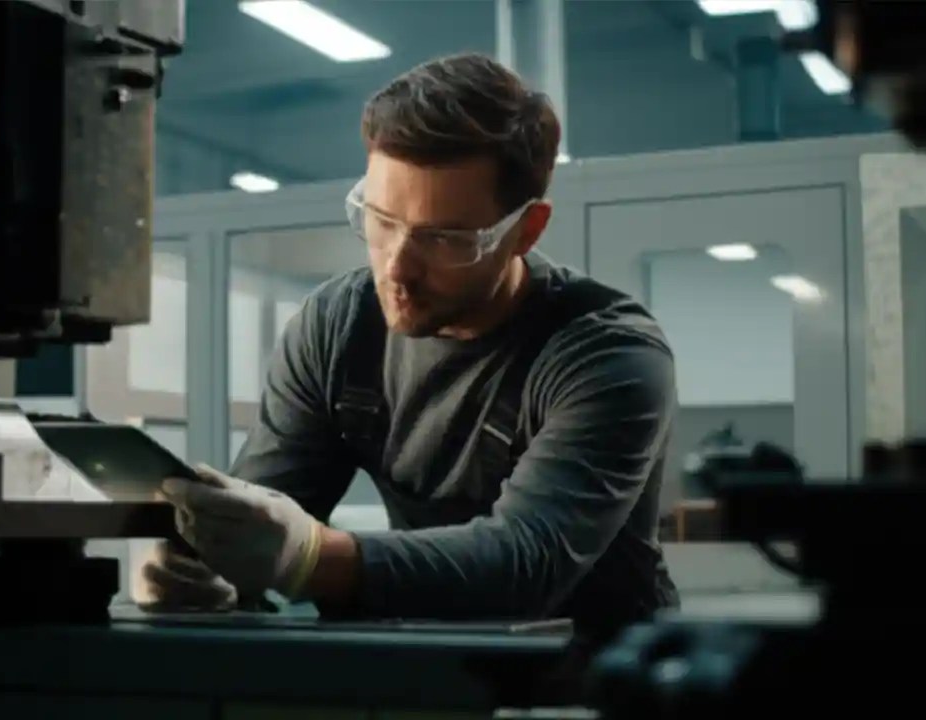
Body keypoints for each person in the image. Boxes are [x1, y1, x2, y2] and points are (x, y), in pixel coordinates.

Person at [139, 53, 679, 641]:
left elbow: (527, 562)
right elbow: (269, 507)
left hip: (601, 676)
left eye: (443, 237)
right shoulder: (338, 327)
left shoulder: (606, 355)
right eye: (380, 219)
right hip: (429, 660)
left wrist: (306, 558)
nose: (397, 267)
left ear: (525, 231)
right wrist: (209, 567)